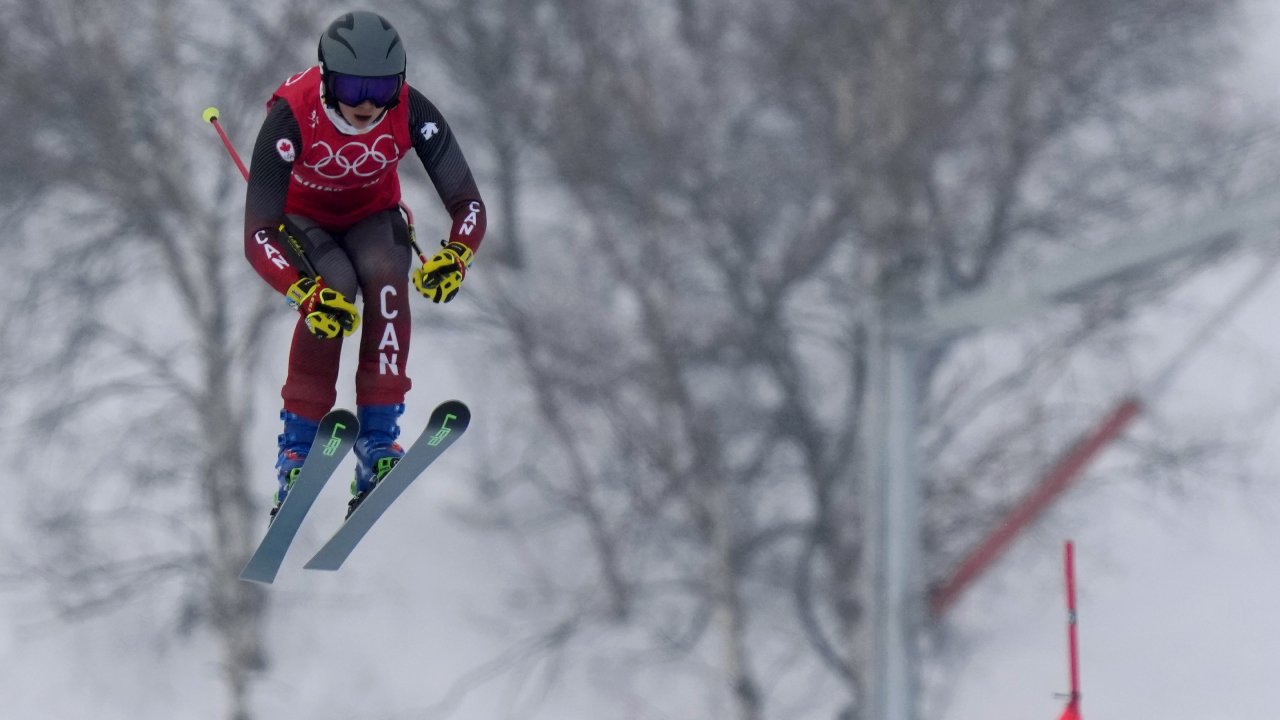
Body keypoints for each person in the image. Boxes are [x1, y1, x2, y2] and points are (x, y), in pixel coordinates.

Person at [243, 10, 486, 519]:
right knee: (335, 289)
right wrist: (302, 294)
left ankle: (378, 443)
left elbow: (469, 203)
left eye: (381, 87)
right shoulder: (291, 117)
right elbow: (257, 234)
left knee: (386, 278)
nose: (368, 103)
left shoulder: (411, 108)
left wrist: (458, 255)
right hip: (303, 220)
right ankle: (296, 450)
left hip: (371, 216)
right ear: (328, 79)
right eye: (353, 87)